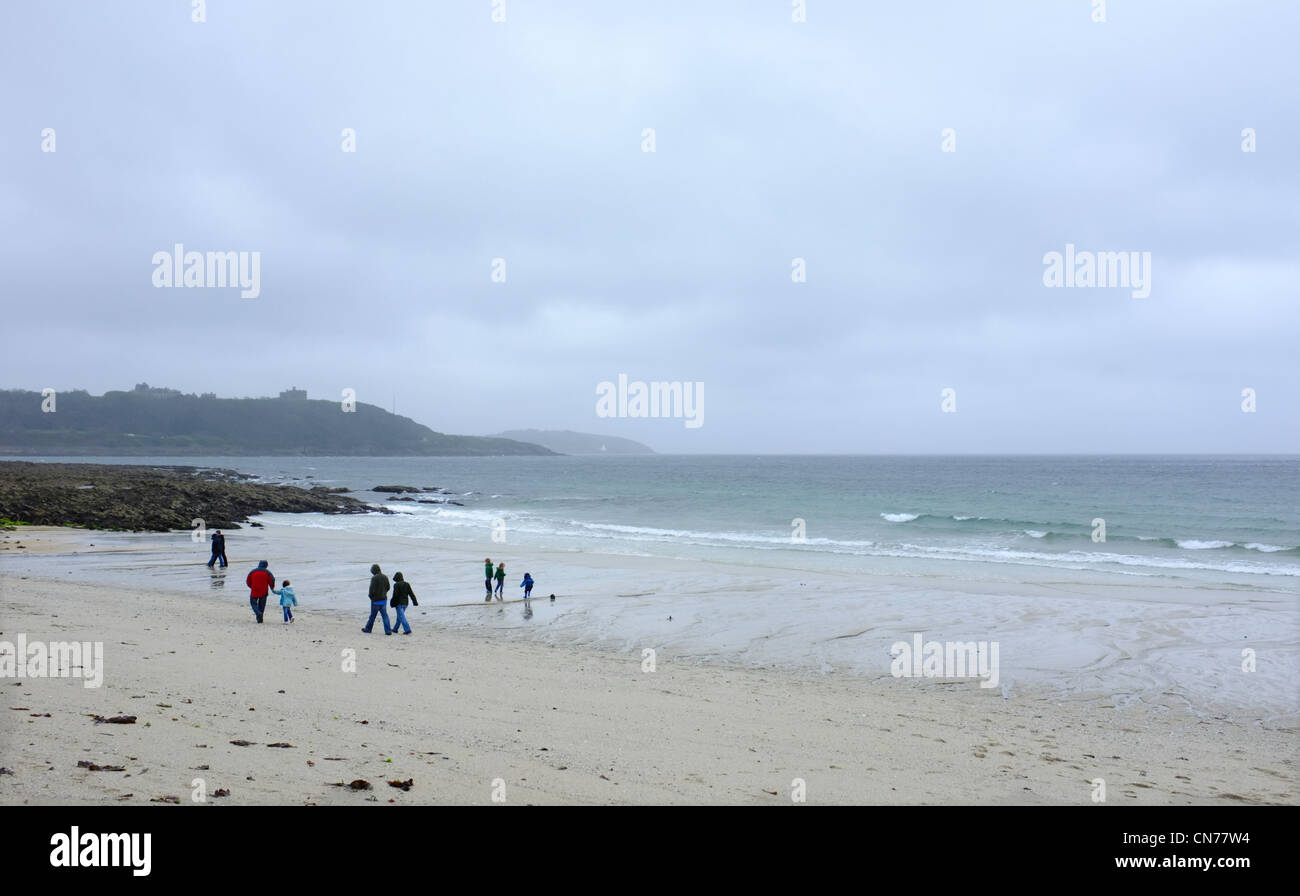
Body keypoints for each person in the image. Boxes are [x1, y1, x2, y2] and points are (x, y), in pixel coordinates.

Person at [363, 563, 392, 635]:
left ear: (374, 571)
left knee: (372, 616)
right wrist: (384, 593)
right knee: (385, 615)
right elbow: (388, 587)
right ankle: (388, 631)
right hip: (384, 600)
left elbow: (371, 590)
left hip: (375, 601)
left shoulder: (374, 578)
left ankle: (368, 629)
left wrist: (371, 597)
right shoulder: (385, 577)